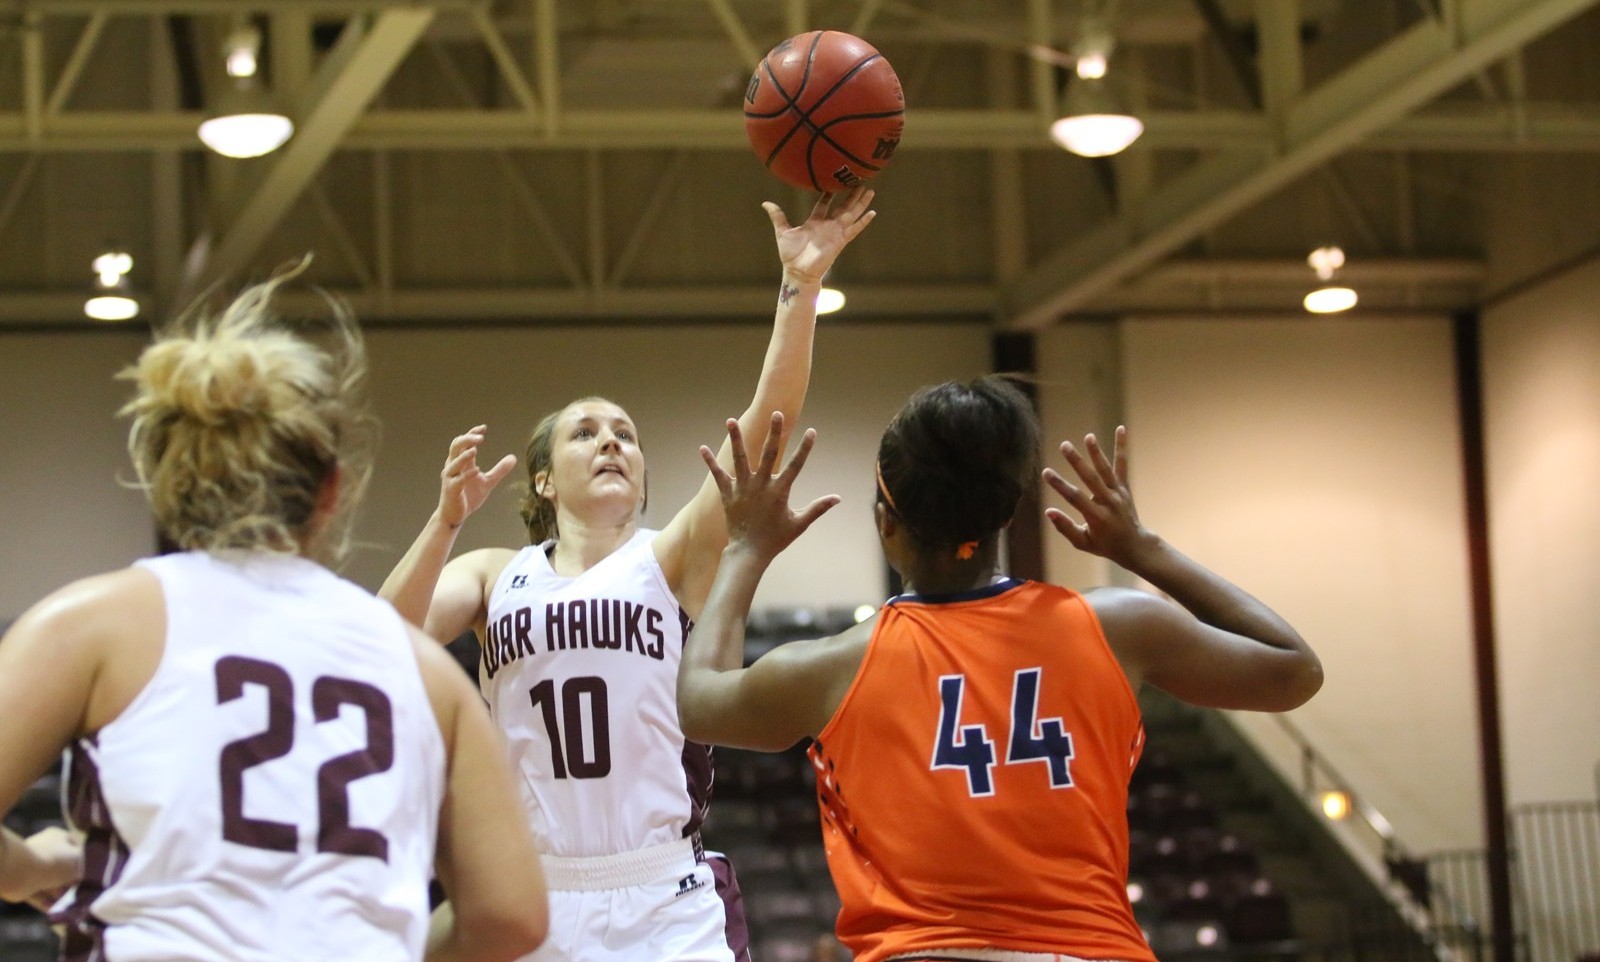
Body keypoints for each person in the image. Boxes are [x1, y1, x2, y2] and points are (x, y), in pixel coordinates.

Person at [380, 187, 878, 962]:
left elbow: (767, 417)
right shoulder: (493, 573)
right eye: (585, 434)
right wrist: (445, 522)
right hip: (535, 891)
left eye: (626, 435)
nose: (611, 443)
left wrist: (801, 287)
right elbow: (380, 637)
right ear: (544, 480)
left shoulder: (669, 555)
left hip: (662, 895)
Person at [0, 266, 548, 962]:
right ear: (331, 492)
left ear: (167, 484)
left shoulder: (91, 624)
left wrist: (30, 865)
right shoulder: (423, 670)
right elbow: (514, 917)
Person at [677, 377, 1325, 962]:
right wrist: (1142, 549)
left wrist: (744, 551)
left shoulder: (833, 666)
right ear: (1006, 518)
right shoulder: (1117, 625)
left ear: (887, 524)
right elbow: (1293, 670)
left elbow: (700, 700)